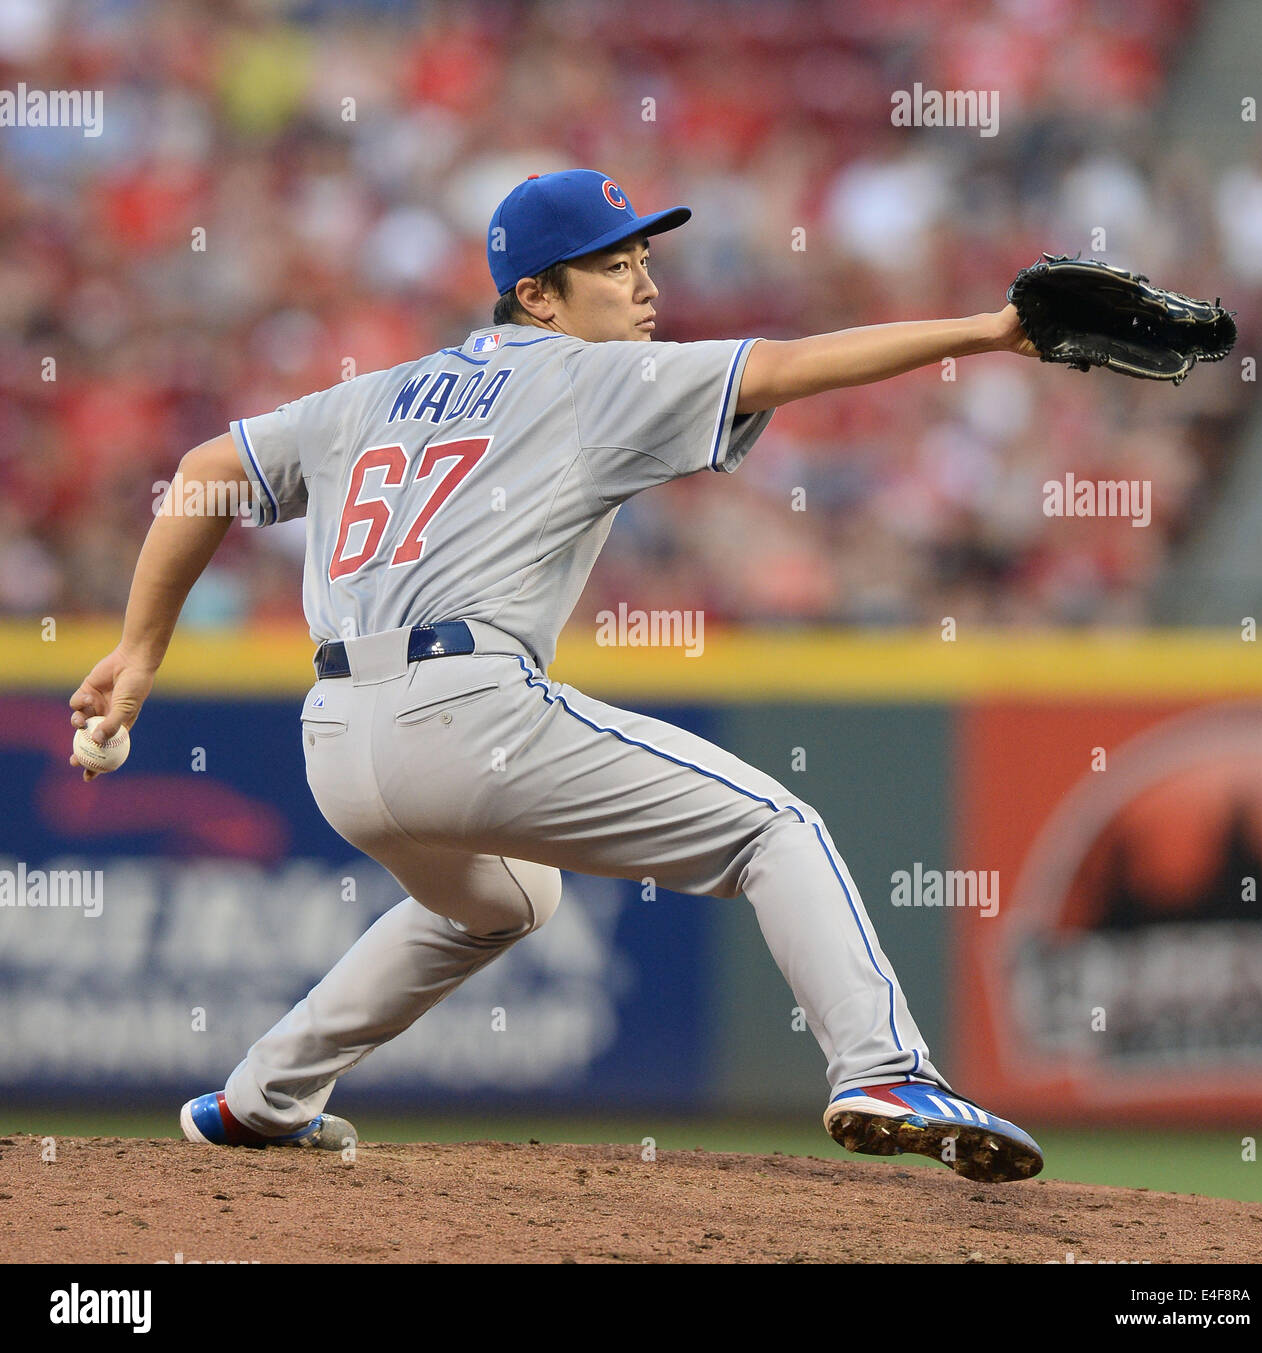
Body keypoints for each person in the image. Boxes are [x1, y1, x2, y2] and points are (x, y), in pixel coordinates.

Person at [69, 169, 1044, 1182]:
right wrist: (987, 330)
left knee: (503, 903)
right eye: (612, 266)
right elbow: (791, 366)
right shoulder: (590, 376)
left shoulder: (368, 395)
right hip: (466, 711)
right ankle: (882, 1070)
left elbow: (201, 475)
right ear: (537, 294)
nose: (643, 286)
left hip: (338, 744)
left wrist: (140, 656)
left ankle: (259, 1101)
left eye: (644, 262)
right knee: (775, 829)